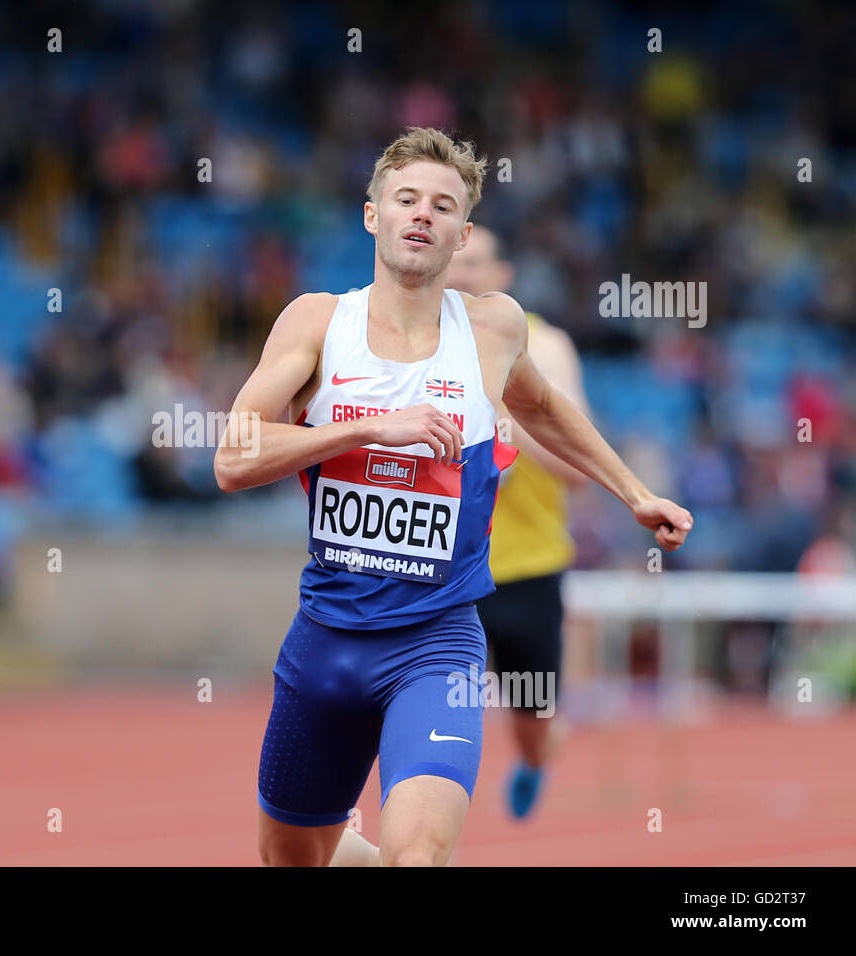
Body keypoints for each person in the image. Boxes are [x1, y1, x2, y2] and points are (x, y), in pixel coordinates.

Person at [214, 127, 692, 866]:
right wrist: (370, 428)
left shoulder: (493, 327)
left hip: (436, 645)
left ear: (461, 232)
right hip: (326, 643)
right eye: (406, 198)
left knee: (418, 855)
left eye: (442, 205)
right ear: (373, 215)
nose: (422, 214)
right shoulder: (316, 321)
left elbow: (542, 407)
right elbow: (233, 459)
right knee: (289, 860)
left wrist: (634, 493)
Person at [446, 226, 589, 819]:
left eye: (474, 264)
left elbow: (575, 468)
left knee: (532, 717)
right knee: (439, 706)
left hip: (528, 566)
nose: (460, 276)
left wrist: (505, 412)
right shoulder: (412, 341)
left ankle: (533, 758)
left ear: (502, 276)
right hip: (447, 569)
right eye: (452, 263)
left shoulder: (545, 347)